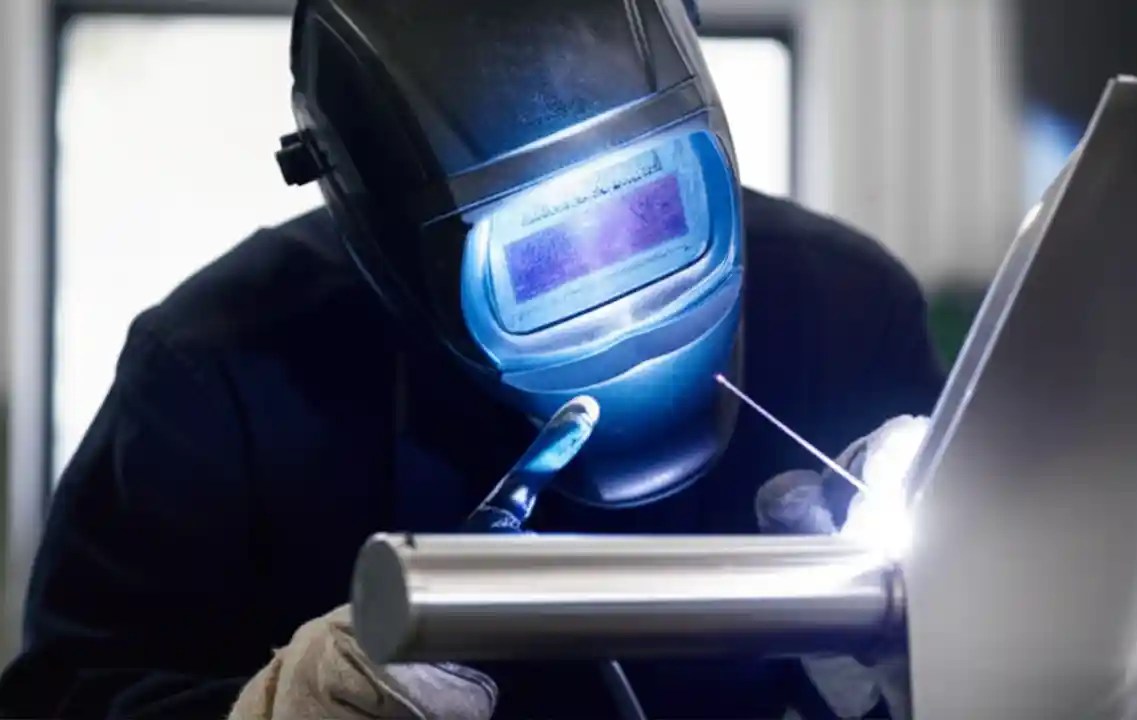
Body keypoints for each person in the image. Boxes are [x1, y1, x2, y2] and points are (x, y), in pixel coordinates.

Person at [0, 1, 943, 718]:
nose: (610, 299)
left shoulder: (845, 309)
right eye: (541, 256)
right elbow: (61, 695)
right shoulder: (218, 372)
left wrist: (939, 649)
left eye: (644, 209)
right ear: (385, 225)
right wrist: (269, 710)